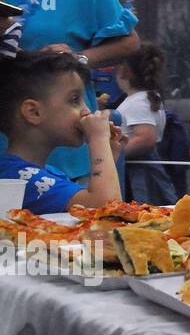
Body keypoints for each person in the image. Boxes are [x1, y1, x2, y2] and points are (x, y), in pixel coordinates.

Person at [0, 0, 139, 180]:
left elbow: (130, 41)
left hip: (69, 152)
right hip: (7, 146)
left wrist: (78, 58)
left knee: (78, 224)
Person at [0, 51, 124, 214]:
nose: (86, 111)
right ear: (33, 112)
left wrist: (108, 156)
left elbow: (90, 203)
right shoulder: (16, 177)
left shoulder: (50, 172)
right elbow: (106, 211)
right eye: (74, 100)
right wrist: (98, 140)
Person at [114, 42, 178, 206]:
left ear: (123, 70)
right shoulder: (144, 98)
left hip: (138, 173)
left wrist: (112, 156)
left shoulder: (138, 102)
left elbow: (145, 138)